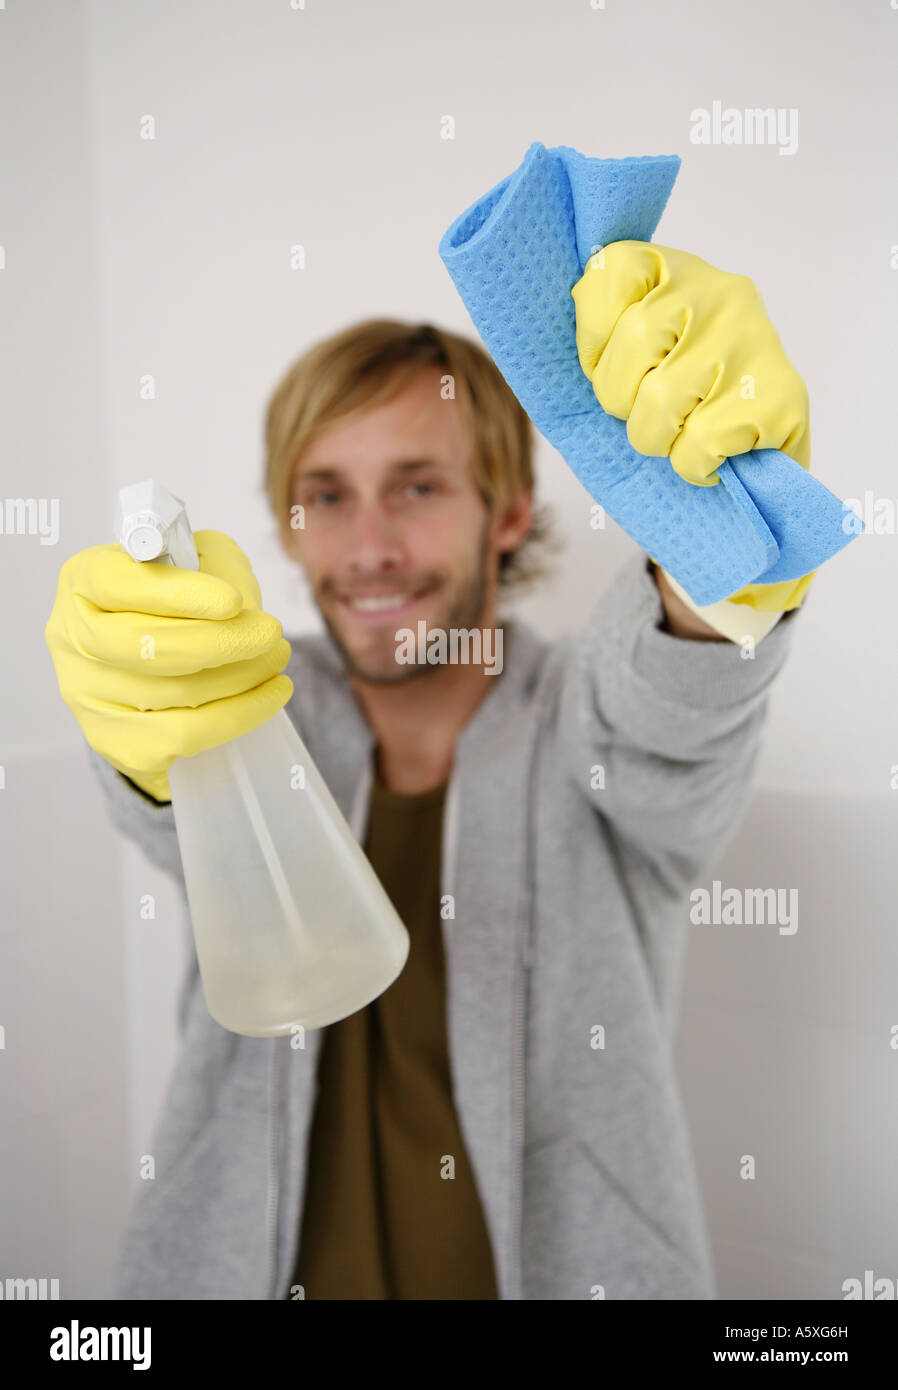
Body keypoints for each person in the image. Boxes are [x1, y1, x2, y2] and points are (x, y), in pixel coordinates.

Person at [44, 247, 812, 1299]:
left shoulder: (578, 720)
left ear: (504, 511)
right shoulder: (254, 709)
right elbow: (162, 813)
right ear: (285, 523)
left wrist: (721, 573)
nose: (369, 547)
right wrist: (140, 741)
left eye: (416, 486)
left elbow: (667, 726)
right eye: (326, 495)